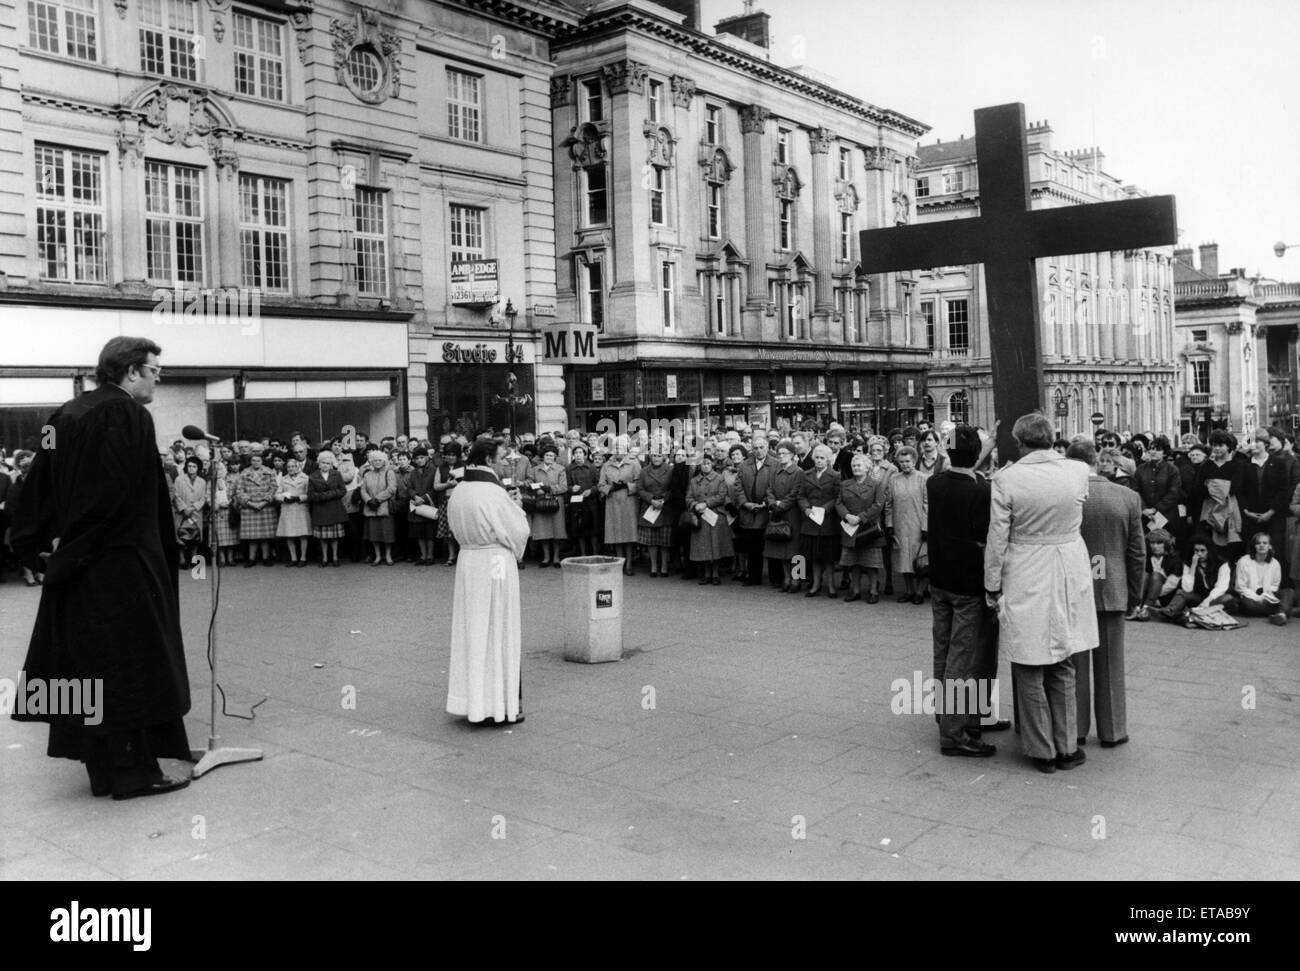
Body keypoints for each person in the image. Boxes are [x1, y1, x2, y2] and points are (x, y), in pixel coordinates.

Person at [9, 336, 191, 798]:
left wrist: (37, 546)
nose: (158, 378)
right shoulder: (127, 415)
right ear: (131, 371)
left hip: (76, 565)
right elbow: (110, 497)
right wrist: (80, 549)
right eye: (154, 370)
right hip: (117, 564)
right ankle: (134, 773)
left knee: (82, 666)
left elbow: (39, 483)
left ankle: (103, 771)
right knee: (127, 665)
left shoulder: (63, 416)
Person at [984, 412, 1098, 774]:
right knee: (1064, 658)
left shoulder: (1007, 479)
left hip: (1026, 565)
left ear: (1019, 441)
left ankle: (1041, 749)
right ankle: (1067, 746)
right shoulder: (1078, 471)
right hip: (1067, 563)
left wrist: (992, 583)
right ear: (1052, 437)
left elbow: (997, 537)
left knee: (1028, 660)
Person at [446, 438, 531, 726]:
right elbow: (518, 531)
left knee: (474, 627)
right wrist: (517, 508)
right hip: (495, 561)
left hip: (469, 561)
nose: (505, 461)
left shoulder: (459, 491)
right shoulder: (494, 494)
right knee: (498, 627)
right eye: (501, 457)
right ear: (488, 459)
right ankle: (498, 704)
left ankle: (473, 701)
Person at [927, 426, 1000, 756]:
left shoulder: (935, 482)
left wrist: (985, 446)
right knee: (962, 656)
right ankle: (955, 735)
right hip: (967, 583)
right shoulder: (981, 491)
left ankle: (948, 717)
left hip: (939, 579)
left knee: (943, 649)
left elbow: (960, 464)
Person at [1068, 440, 1143, 749]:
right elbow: (1137, 553)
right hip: (1112, 586)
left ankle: (1077, 728)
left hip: (1075, 587)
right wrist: (1134, 595)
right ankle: (1113, 731)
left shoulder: (1067, 497)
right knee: (1112, 662)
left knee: (1075, 663)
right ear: (1097, 461)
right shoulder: (1128, 497)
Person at [836, 452, 886, 603]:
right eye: (853, 466)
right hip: (850, 528)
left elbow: (878, 505)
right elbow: (838, 503)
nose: (855, 468)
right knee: (853, 563)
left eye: (859, 465)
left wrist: (861, 517)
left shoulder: (876, 484)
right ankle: (855, 590)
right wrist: (847, 516)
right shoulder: (845, 484)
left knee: (871, 564)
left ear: (867, 467)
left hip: (869, 528)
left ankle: (873, 591)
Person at [886, 446, 928, 604]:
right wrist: (889, 524)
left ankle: (920, 591)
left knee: (921, 559)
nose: (905, 464)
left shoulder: (923, 479)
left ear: (915, 461)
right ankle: (909, 590)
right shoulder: (894, 479)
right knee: (904, 559)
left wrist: (926, 527)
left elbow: (927, 504)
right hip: (900, 525)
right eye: (901, 461)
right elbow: (888, 504)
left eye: (908, 461)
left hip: (918, 525)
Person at [1160, 534, 1234, 624]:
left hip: (1214, 598)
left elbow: (1221, 587)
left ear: (1209, 551)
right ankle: (1170, 610)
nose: (1199, 554)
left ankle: (1193, 613)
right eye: (1196, 550)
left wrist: (1208, 600)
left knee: (1227, 598)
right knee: (1181, 592)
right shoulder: (1189, 563)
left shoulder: (1222, 564)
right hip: (1198, 597)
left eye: (1203, 551)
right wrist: (1193, 566)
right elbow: (1187, 589)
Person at [797, 443, 841, 598]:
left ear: (828, 460)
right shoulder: (806, 474)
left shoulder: (835, 475)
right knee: (814, 556)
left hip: (827, 521)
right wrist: (807, 509)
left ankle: (831, 585)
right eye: (816, 458)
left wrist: (824, 509)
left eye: (822, 458)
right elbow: (801, 495)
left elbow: (837, 497)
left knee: (828, 557)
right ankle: (815, 584)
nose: (819, 461)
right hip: (810, 520)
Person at [736, 435, 779, 588]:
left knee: (772, 546)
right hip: (749, 511)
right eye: (755, 448)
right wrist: (745, 503)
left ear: (767, 448)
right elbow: (738, 486)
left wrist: (765, 503)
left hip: (767, 511)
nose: (759, 451)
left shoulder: (775, 464)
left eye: (762, 447)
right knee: (752, 546)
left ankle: (776, 578)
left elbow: (775, 487)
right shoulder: (744, 465)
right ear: (751, 449)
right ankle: (754, 577)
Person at [687, 451, 734, 585]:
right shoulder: (694, 481)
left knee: (716, 545)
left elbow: (721, 495)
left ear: (712, 464)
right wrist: (695, 504)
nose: (705, 466)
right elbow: (688, 497)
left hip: (716, 515)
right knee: (703, 547)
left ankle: (715, 573)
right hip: (701, 516)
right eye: (703, 464)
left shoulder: (719, 478)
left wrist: (706, 503)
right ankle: (707, 573)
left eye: (708, 463)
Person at [764, 439, 805, 593]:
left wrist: (782, 505)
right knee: (781, 549)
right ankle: (787, 578)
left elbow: (796, 492)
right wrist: (773, 504)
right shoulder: (774, 471)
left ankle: (797, 579)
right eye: (779, 453)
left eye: (785, 453)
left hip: (793, 514)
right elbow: (769, 490)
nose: (781, 456)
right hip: (777, 514)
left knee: (795, 550)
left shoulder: (798, 472)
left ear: (793, 455)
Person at [599, 436, 641, 576]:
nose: (618, 451)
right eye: (616, 448)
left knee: (628, 533)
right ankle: (619, 563)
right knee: (616, 533)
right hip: (613, 502)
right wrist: (610, 488)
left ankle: (629, 564)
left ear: (626, 449)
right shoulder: (606, 465)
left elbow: (640, 483)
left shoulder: (634, 463)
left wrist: (626, 485)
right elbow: (600, 485)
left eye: (621, 448)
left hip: (628, 501)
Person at [526, 441, 567, 567]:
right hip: (540, 502)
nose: (549, 457)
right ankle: (546, 557)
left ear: (555, 457)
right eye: (547, 455)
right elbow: (530, 482)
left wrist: (549, 489)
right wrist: (534, 488)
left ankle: (556, 558)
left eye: (551, 455)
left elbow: (564, 487)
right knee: (543, 531)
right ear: (543, 456)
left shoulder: (560, 469)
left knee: (557, 531)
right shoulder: (535, 469)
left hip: (555, 502)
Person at [237, 447, 279, 567]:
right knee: (252, 537)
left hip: (265, 506)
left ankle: (266, 558)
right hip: (250, 507)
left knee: (265, 536)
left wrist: (264, 502)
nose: (256, 462)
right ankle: (252, 558)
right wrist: (250, 503)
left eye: (258, 460)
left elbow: (274, 488)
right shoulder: (244, 472)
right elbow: (239, 490)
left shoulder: (269, 471)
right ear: (250, 461)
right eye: (254, 460)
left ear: (262, 461)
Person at [1129, 529, 1183, 620]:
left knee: (1155, 575)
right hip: (1147, 593)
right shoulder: (1147, 558)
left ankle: (1146, 609)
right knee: (1145, 575)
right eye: (1152, 543)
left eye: (1159, 543)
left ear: (1166, 544)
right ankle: (1136, 607)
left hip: (1165, 596)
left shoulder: (1174, 559)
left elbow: (1172, 584)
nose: (1155, 546)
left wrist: (1154, 592)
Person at [636, 445, 674, 577]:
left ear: (664, 457)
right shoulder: (644, 471)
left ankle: (664, 566)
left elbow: (673, 488)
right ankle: (653, 566)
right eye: (654, 455)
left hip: (665, 507)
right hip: (650, 507)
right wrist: (651, 499)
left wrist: (664, 499)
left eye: (659, 455)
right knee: (651, 540)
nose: (656, 458)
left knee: (664, 540)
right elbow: (639, 489)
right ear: (650, 456)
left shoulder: (670, 470)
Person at [1234, 531, 1286, 625]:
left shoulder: (1275, 563)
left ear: (1270, 546)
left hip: (1268, 596)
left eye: (1265, 543)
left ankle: (1281, 614)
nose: (1261, 545)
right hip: (1250, 597)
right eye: (1258, 543)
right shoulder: (1244, 561)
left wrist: (1266, 596)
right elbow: (1240, 587)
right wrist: (1258, 598)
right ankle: (1280, 611)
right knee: (1247, 605)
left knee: (1289, 592)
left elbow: (1275, 585)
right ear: (1254, 546)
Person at [307, 449, 348, 567]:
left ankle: (335, 557)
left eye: (328, 463)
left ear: (331, 464)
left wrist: (328, 495)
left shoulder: (337, 474)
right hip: (320, 510)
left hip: (335, 509)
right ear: (319, 463)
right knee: (323, 538)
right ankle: (325, 558)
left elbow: (342, 490)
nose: (325, 465)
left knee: (334, 537)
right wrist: (324, 496)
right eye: (323, 463)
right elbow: (311, 495)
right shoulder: (313, 476)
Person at [359, 449, 397, 566]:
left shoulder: (389, 472)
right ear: (371, 461)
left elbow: (392, 489)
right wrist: (368, 500)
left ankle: (388, 555)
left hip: (384, 507)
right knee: (374, 534)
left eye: (379, 460)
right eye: (374, 460)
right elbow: (363, 489)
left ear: (384, 461)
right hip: (371, 507)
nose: (377, 462)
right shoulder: (368, 474)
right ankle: (378, 556)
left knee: (387, 534)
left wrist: (377, 499)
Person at [172, 456, 207, 569]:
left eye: (194, 466)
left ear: (198, 468)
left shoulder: (202, 482)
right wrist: (184, 508)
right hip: (182, 512)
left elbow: (203, 498)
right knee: (181, 534)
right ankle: (182, 559)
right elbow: (175, 495)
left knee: (195, 535)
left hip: (195, 512)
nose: (191, 468)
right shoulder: (179, 479)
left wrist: (193, 508)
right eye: (189, 466)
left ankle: (193, 558)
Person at [405, 447, 439, 565]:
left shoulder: (434, 470)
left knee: (429, 532)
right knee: (419, 532)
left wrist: (424, 498)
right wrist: (415, 496)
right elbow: (409, 487)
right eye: (417, 458)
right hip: (416, 504)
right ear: (413, 460)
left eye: (422, 457)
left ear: (427, 457)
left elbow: (435, 488)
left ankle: (430, 556)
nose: (419, 460)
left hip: (429, 504)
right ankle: (423, 555)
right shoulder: (413, 472)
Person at [565, 443, 599, 557]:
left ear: (585, 455)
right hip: (576, 503)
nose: (578, 455)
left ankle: (595, 554)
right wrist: (572, 488)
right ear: (573, 455)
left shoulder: (592, 467)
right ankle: (583, 554)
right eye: (576, 453)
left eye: (580, 453)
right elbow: (567, 485)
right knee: (579, 530)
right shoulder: (569, 469)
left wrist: (591, 491)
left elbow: (598, 484)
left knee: (593, 530)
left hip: (590, 503)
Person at [434, 441, 465, 565]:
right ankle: (451, 555)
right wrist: (448, 484)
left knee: (460, 529)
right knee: (448, 531)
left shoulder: (464, 466)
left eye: (453, 455)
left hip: (460, 501)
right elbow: (436, 486)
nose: (450, 457)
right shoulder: (440, 468)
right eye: (448, 455)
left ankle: (462, 555)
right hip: (445, 500)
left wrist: (459, 484)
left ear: (457, 455)